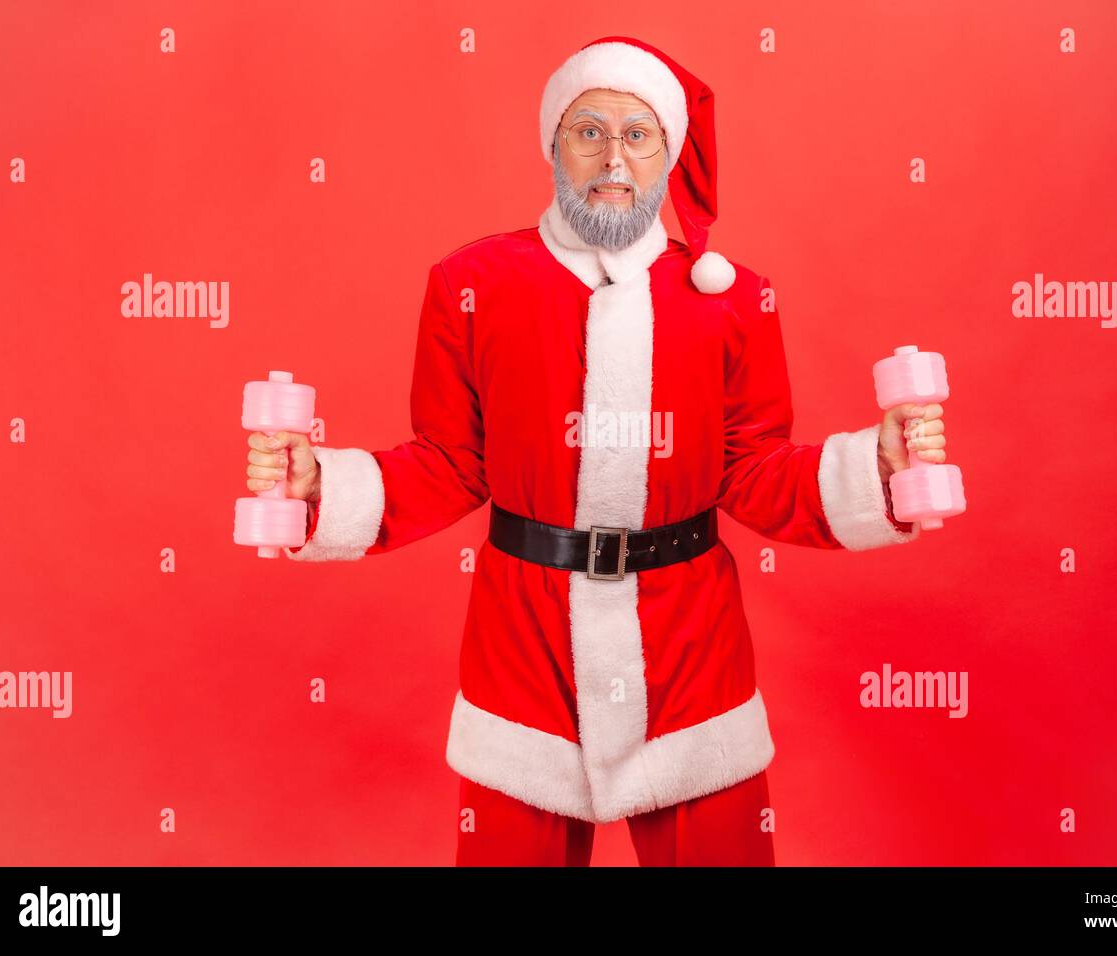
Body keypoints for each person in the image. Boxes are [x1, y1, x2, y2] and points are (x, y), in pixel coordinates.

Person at [244, 36, 947, 866]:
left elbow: (754, 469)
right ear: (553, 146)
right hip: (522, 639)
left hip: (691, 641)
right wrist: (316, 483)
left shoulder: (735, 300)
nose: (613, 157)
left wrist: (882, 470)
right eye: (588, 131)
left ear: (669, 152)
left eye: (638, 134)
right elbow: (448, 461)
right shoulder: (471, 284)